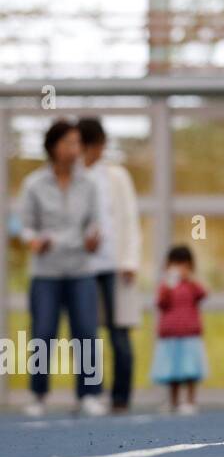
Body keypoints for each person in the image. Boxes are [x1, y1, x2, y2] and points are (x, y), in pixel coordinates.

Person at [17, 119, 104, 418]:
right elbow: (23, 225)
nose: (74, 148)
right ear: (53, 146)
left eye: (77, 142)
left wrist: (94, 236)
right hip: (46, 273)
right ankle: (38, 395)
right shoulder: (33, 184)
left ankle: (89, 395)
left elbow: (95, 221)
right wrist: (32, 240)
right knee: (42, 334)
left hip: (81, 269)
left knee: (86, 334)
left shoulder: (89, 183)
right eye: (69, 142)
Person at [78, 117, 143, 414]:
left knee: (119, 333)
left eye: (96, 145)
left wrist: (130, 260)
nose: (92, 152)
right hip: (82, 267)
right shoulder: (74, 177)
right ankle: (90, 395)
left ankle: (121, 398)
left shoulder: (116, 176)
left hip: (115, 265)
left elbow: (129, 219)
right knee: (87, 332)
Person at [152, 245, 207, 415]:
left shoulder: (191, 285)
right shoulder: (165, 286)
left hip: (190, 334)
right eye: (175, 264)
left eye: (183, 265)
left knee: (190, 370)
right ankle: (173, 401)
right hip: (170, 335)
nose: (179, 269)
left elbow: (203, 293)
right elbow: (161, 303)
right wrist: (168, 285)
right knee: (172, 372)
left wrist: (190, 279)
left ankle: (190, 401)